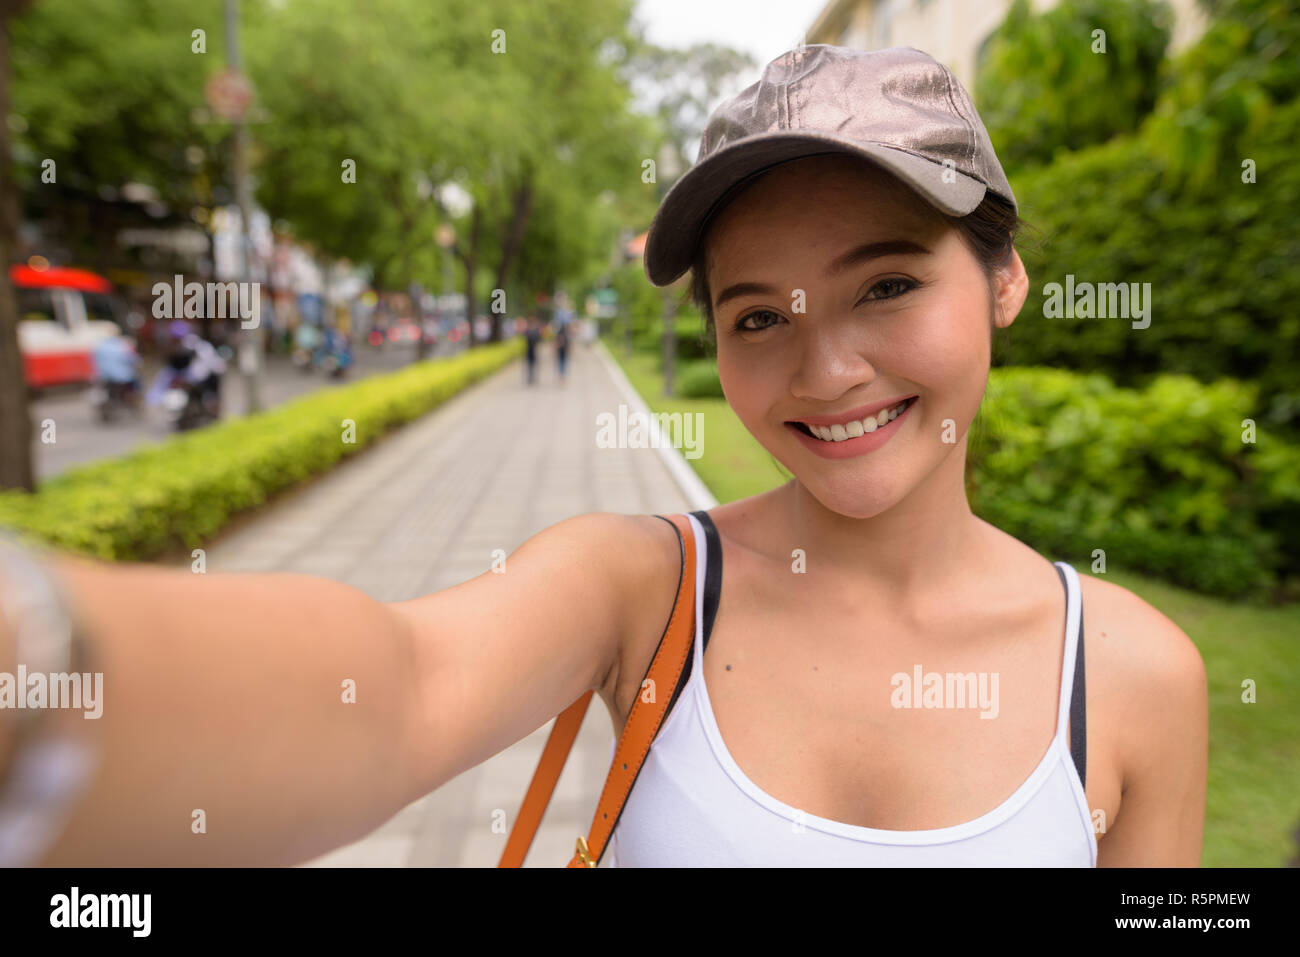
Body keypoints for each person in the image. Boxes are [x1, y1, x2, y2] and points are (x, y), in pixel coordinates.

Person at [0, 45, 1206, 868]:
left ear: (1003, 281)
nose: (826, 369)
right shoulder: (640, 591)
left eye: (885, 284)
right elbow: (396, 688)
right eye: (758, 317)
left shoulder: (1139, 676)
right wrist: (35, 664)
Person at [523, 316, 542, 385]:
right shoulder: (533, 330)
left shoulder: (529, 330)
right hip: (531, 350)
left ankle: (531, 377)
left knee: (531, 365)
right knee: (531, 365)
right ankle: (531, 377)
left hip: (531, 350)